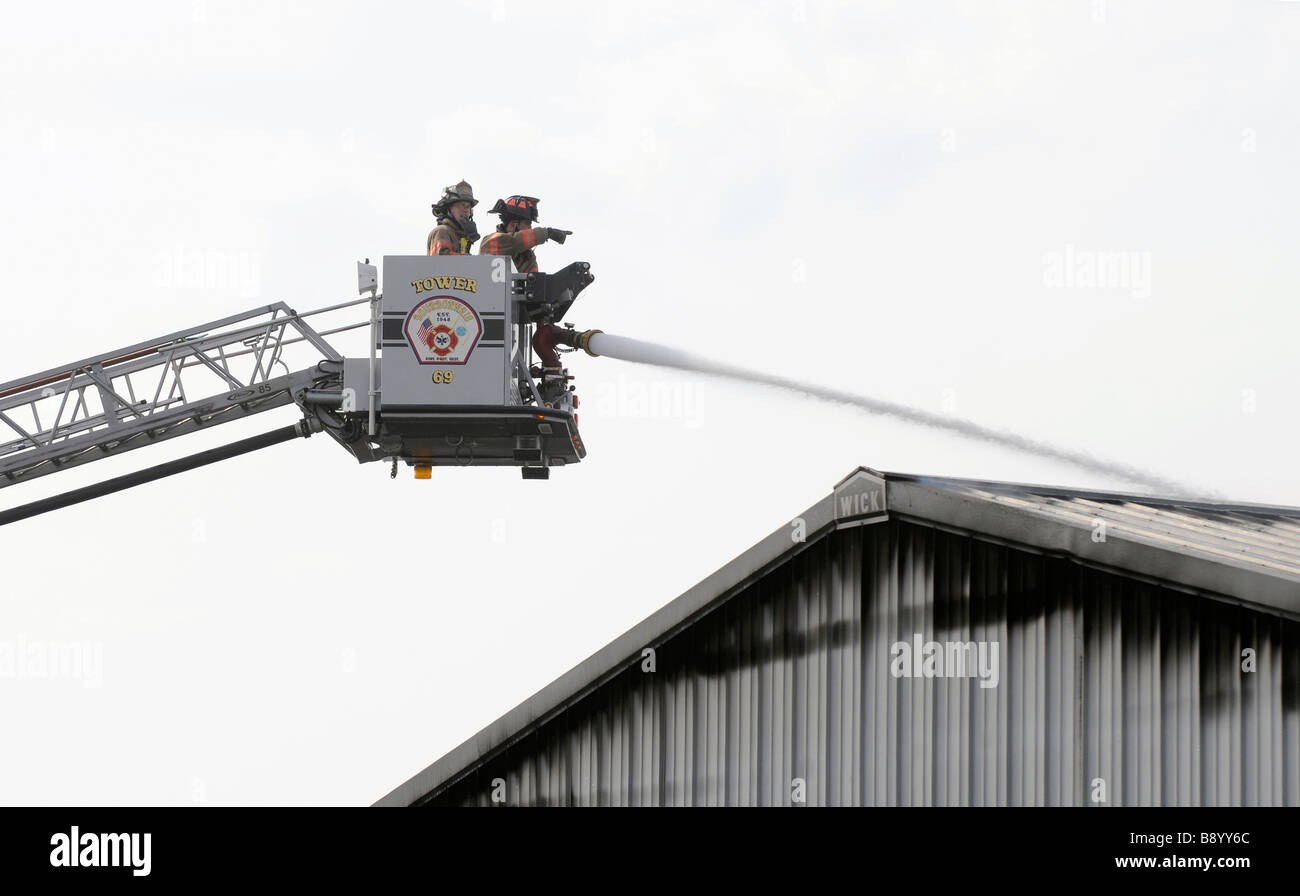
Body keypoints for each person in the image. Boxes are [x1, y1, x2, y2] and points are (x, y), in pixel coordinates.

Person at [476, 195, 572, 273]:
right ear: (513, 225)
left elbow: (534, 285)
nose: (530, 228)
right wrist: (547, 233)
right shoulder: (491, 241)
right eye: (527, 224)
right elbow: (514, 241)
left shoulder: (527, 257)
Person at [426, 180, 480, 256]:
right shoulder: (442, 231)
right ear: (448, 209)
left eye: (468, 207)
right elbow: (441, 259)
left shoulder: (461, 237)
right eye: (461, 205)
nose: (465, 210)